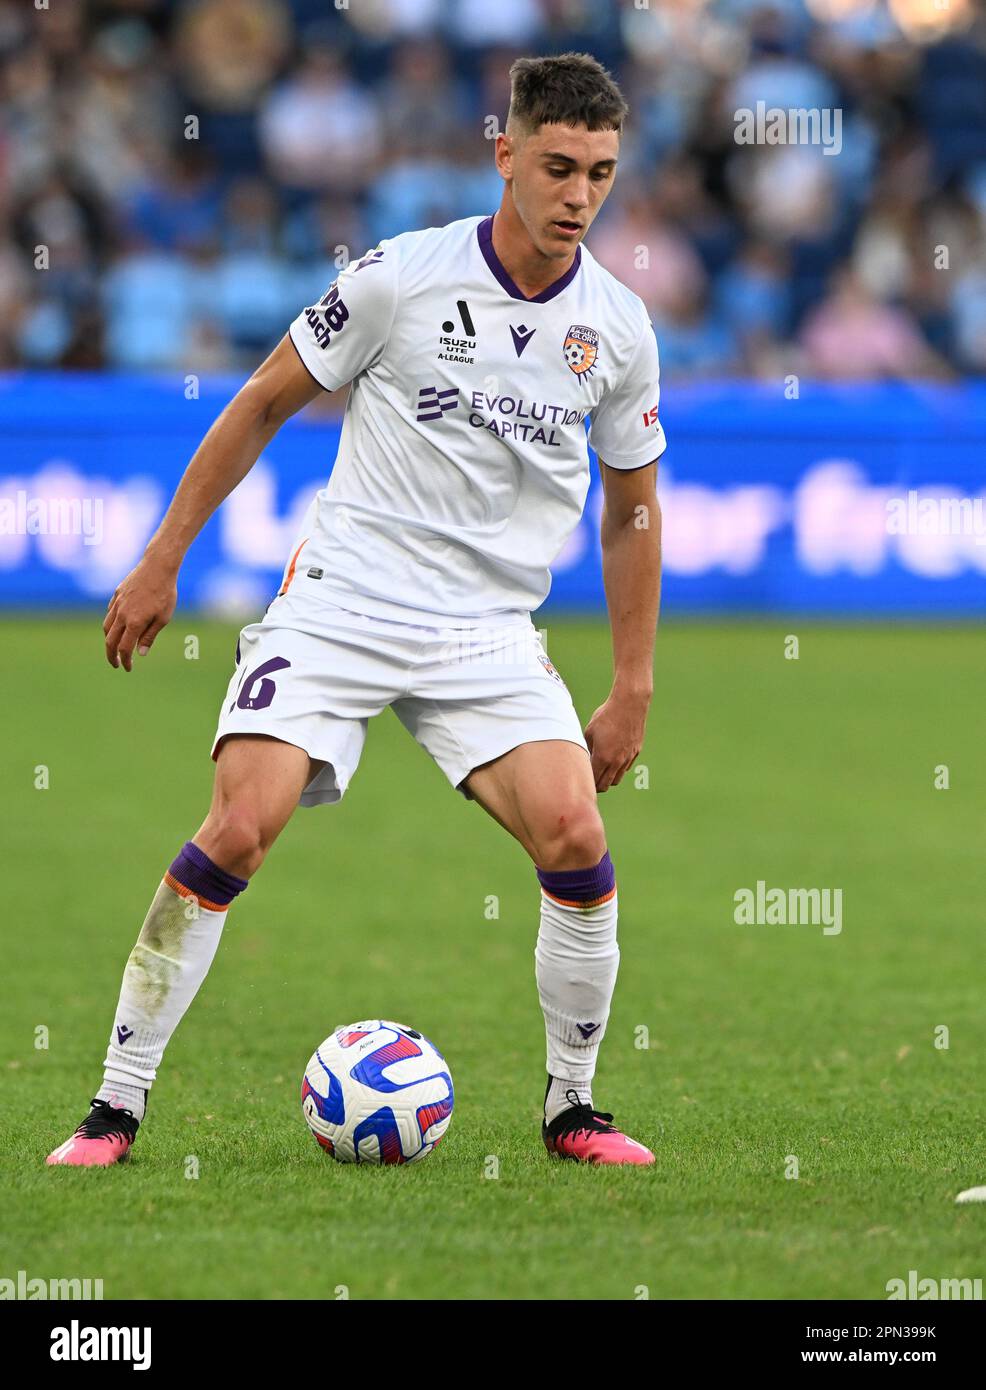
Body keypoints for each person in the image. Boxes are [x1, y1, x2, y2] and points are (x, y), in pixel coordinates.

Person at [46, 52, 666, 1169]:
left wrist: (630, 684)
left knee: (576, 834)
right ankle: (113, 1107)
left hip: (487, 630)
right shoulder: (400, 277)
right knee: (240, 824)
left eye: (601, 174)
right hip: (344, 597)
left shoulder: (615, 330)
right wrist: (161, 557)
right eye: (559, 167)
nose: (578, 197)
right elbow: (262, 400)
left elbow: (632, 511)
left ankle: (571, 1108)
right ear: (505, 156)